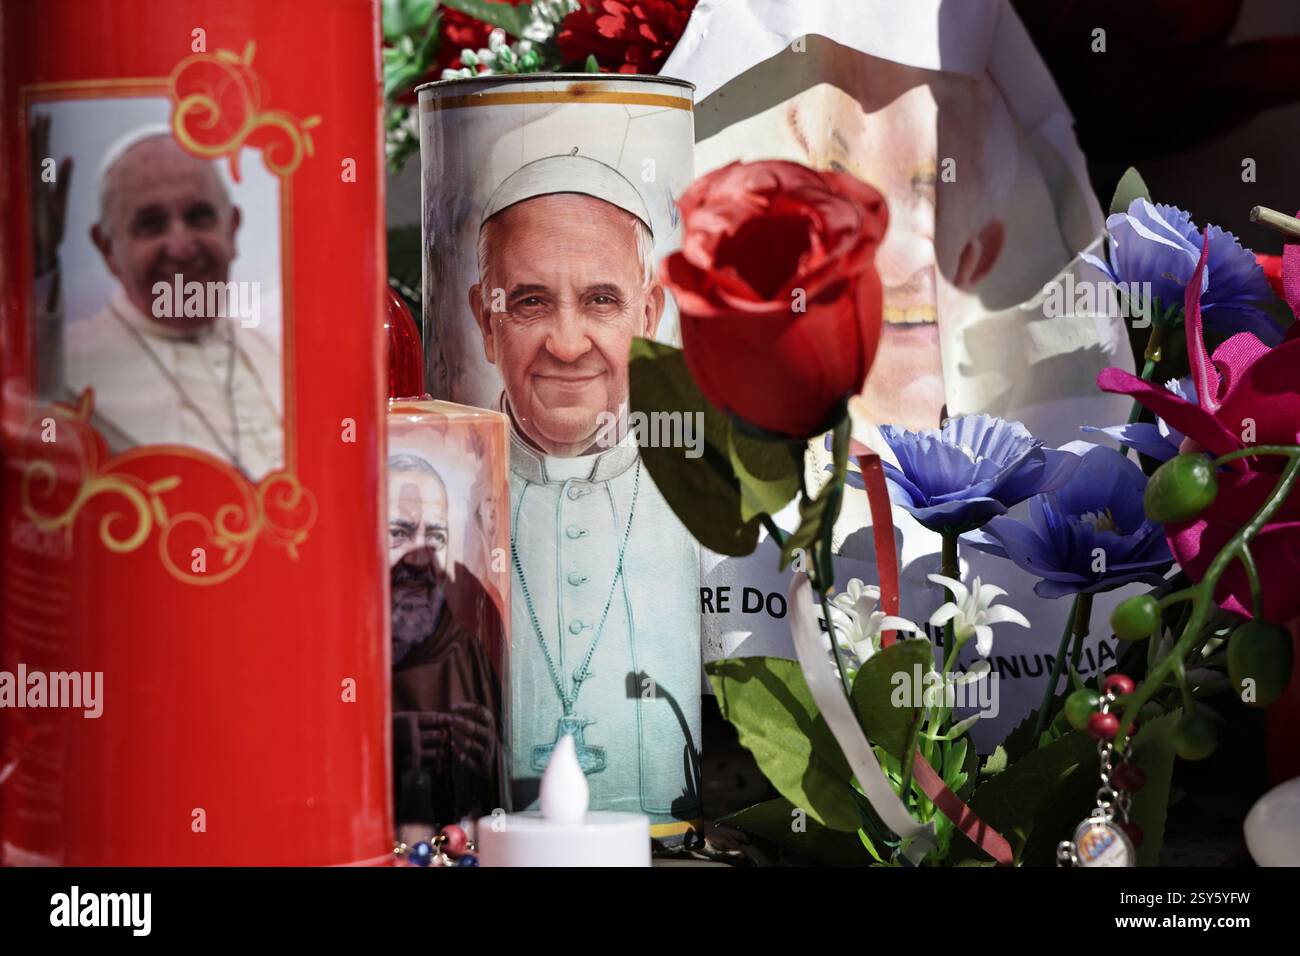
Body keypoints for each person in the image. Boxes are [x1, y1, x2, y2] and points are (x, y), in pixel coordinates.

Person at [466, 153, 702, 829]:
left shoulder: (708, 489)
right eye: (531, 301)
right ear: (487, 322)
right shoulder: (438, 496)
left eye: (601, 300)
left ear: (649, 313)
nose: (568, 344)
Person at [34, 122, 282, 479]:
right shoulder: (68, 369)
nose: (181, 248)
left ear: (233, 228)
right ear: (107, 250)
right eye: (151, 224)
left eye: (200, 217)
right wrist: (38, 269)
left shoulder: (277, 349)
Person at [388, 452, 502, 827]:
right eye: (398, 533)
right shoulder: (328, 648)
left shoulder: (466, 651)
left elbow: (484, 805)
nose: (420, 560)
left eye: (435, 537)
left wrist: (480, 759)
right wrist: (389, 746)